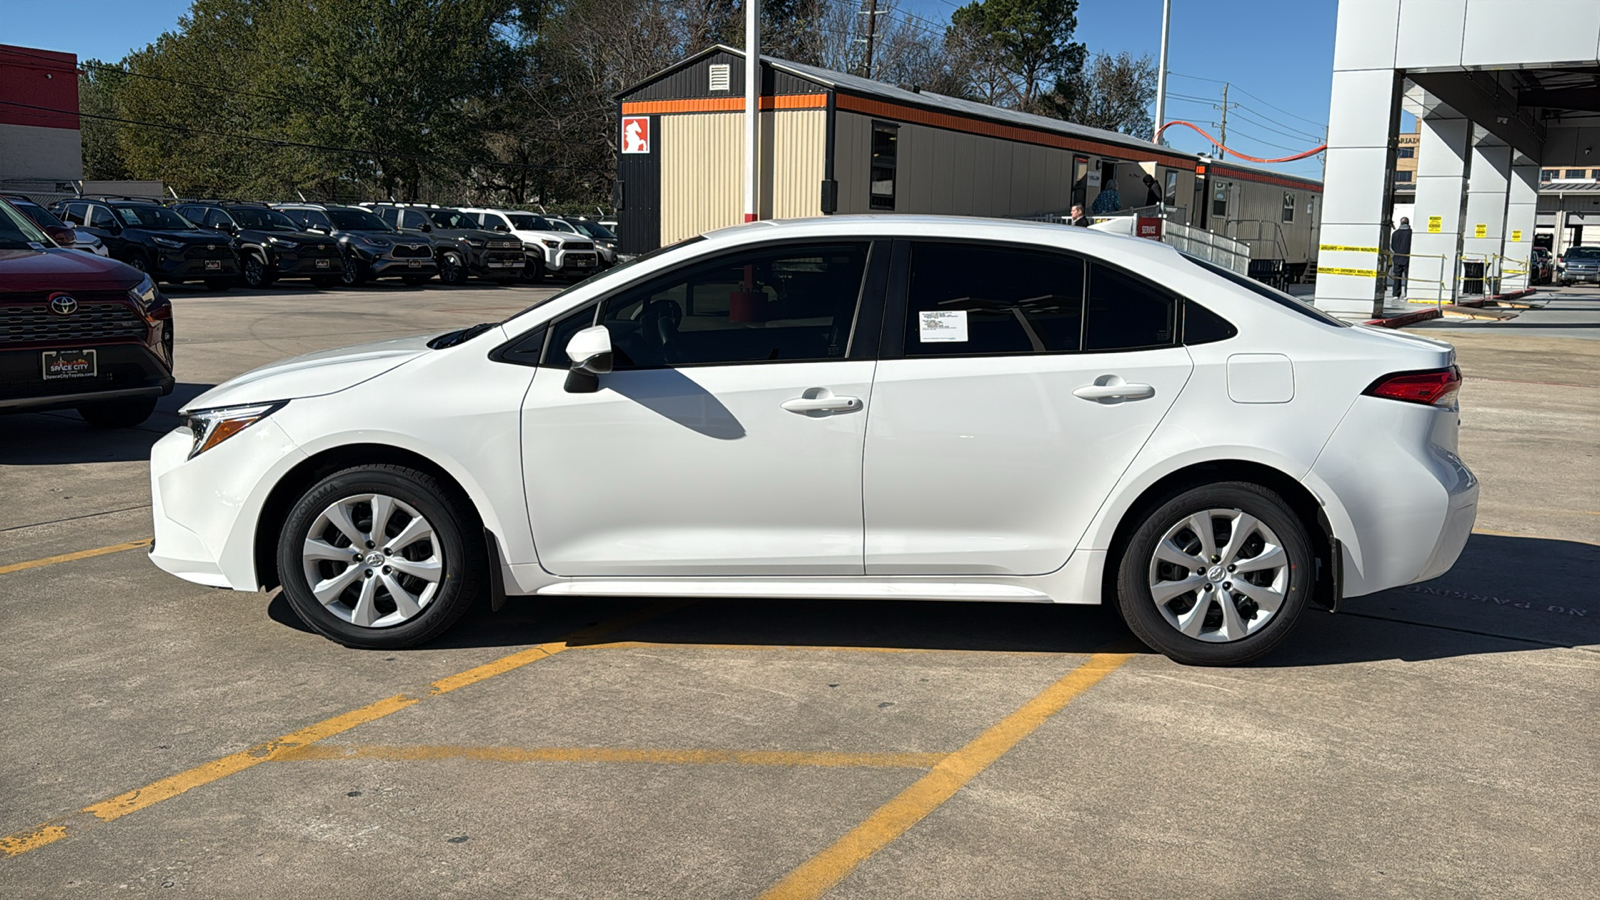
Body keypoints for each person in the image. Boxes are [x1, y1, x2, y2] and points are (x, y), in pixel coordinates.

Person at [1390, 216, 1412, 299]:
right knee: (1407, 277)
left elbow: (1392, 246)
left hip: (1397, 257)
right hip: (1408, 257)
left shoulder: (1395, 233)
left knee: (1397, 277)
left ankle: (1396, 294)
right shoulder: (1411, 233)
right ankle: (1407, 293)